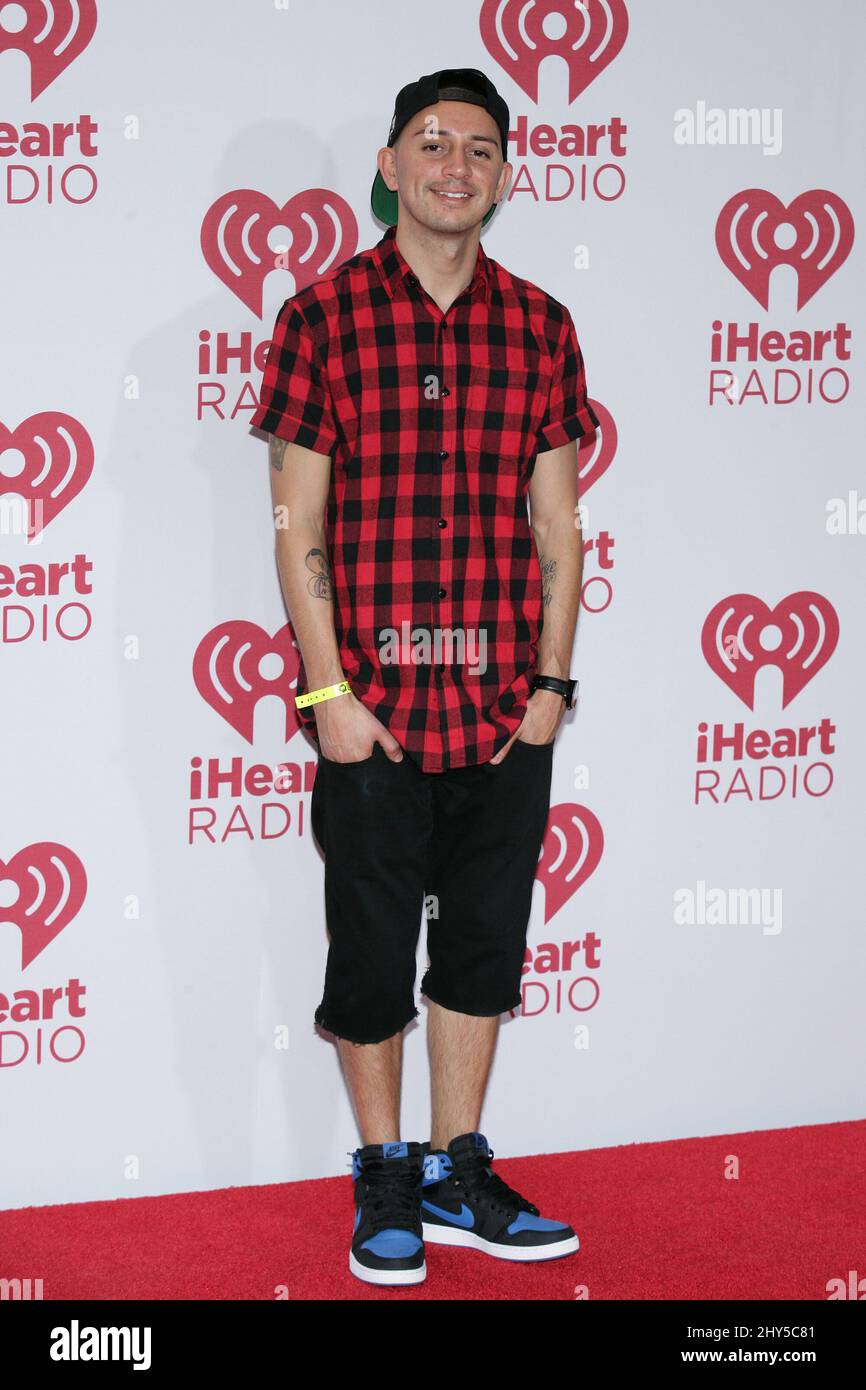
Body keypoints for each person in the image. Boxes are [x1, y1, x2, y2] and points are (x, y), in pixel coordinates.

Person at [251, 67, 600, 1287]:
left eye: (480, 148)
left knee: (481, 953)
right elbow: (296, 524)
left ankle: (458, 1166)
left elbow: (557, 528)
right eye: (431, 142)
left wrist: (551, 689)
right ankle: (384, 1171)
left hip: (507, 711)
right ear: (392, 166)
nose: (456, 165)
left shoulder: (541, 326)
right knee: (367, 955)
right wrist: (325, 695)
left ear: (503, 179)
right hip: (373, 714)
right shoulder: (321, 318)